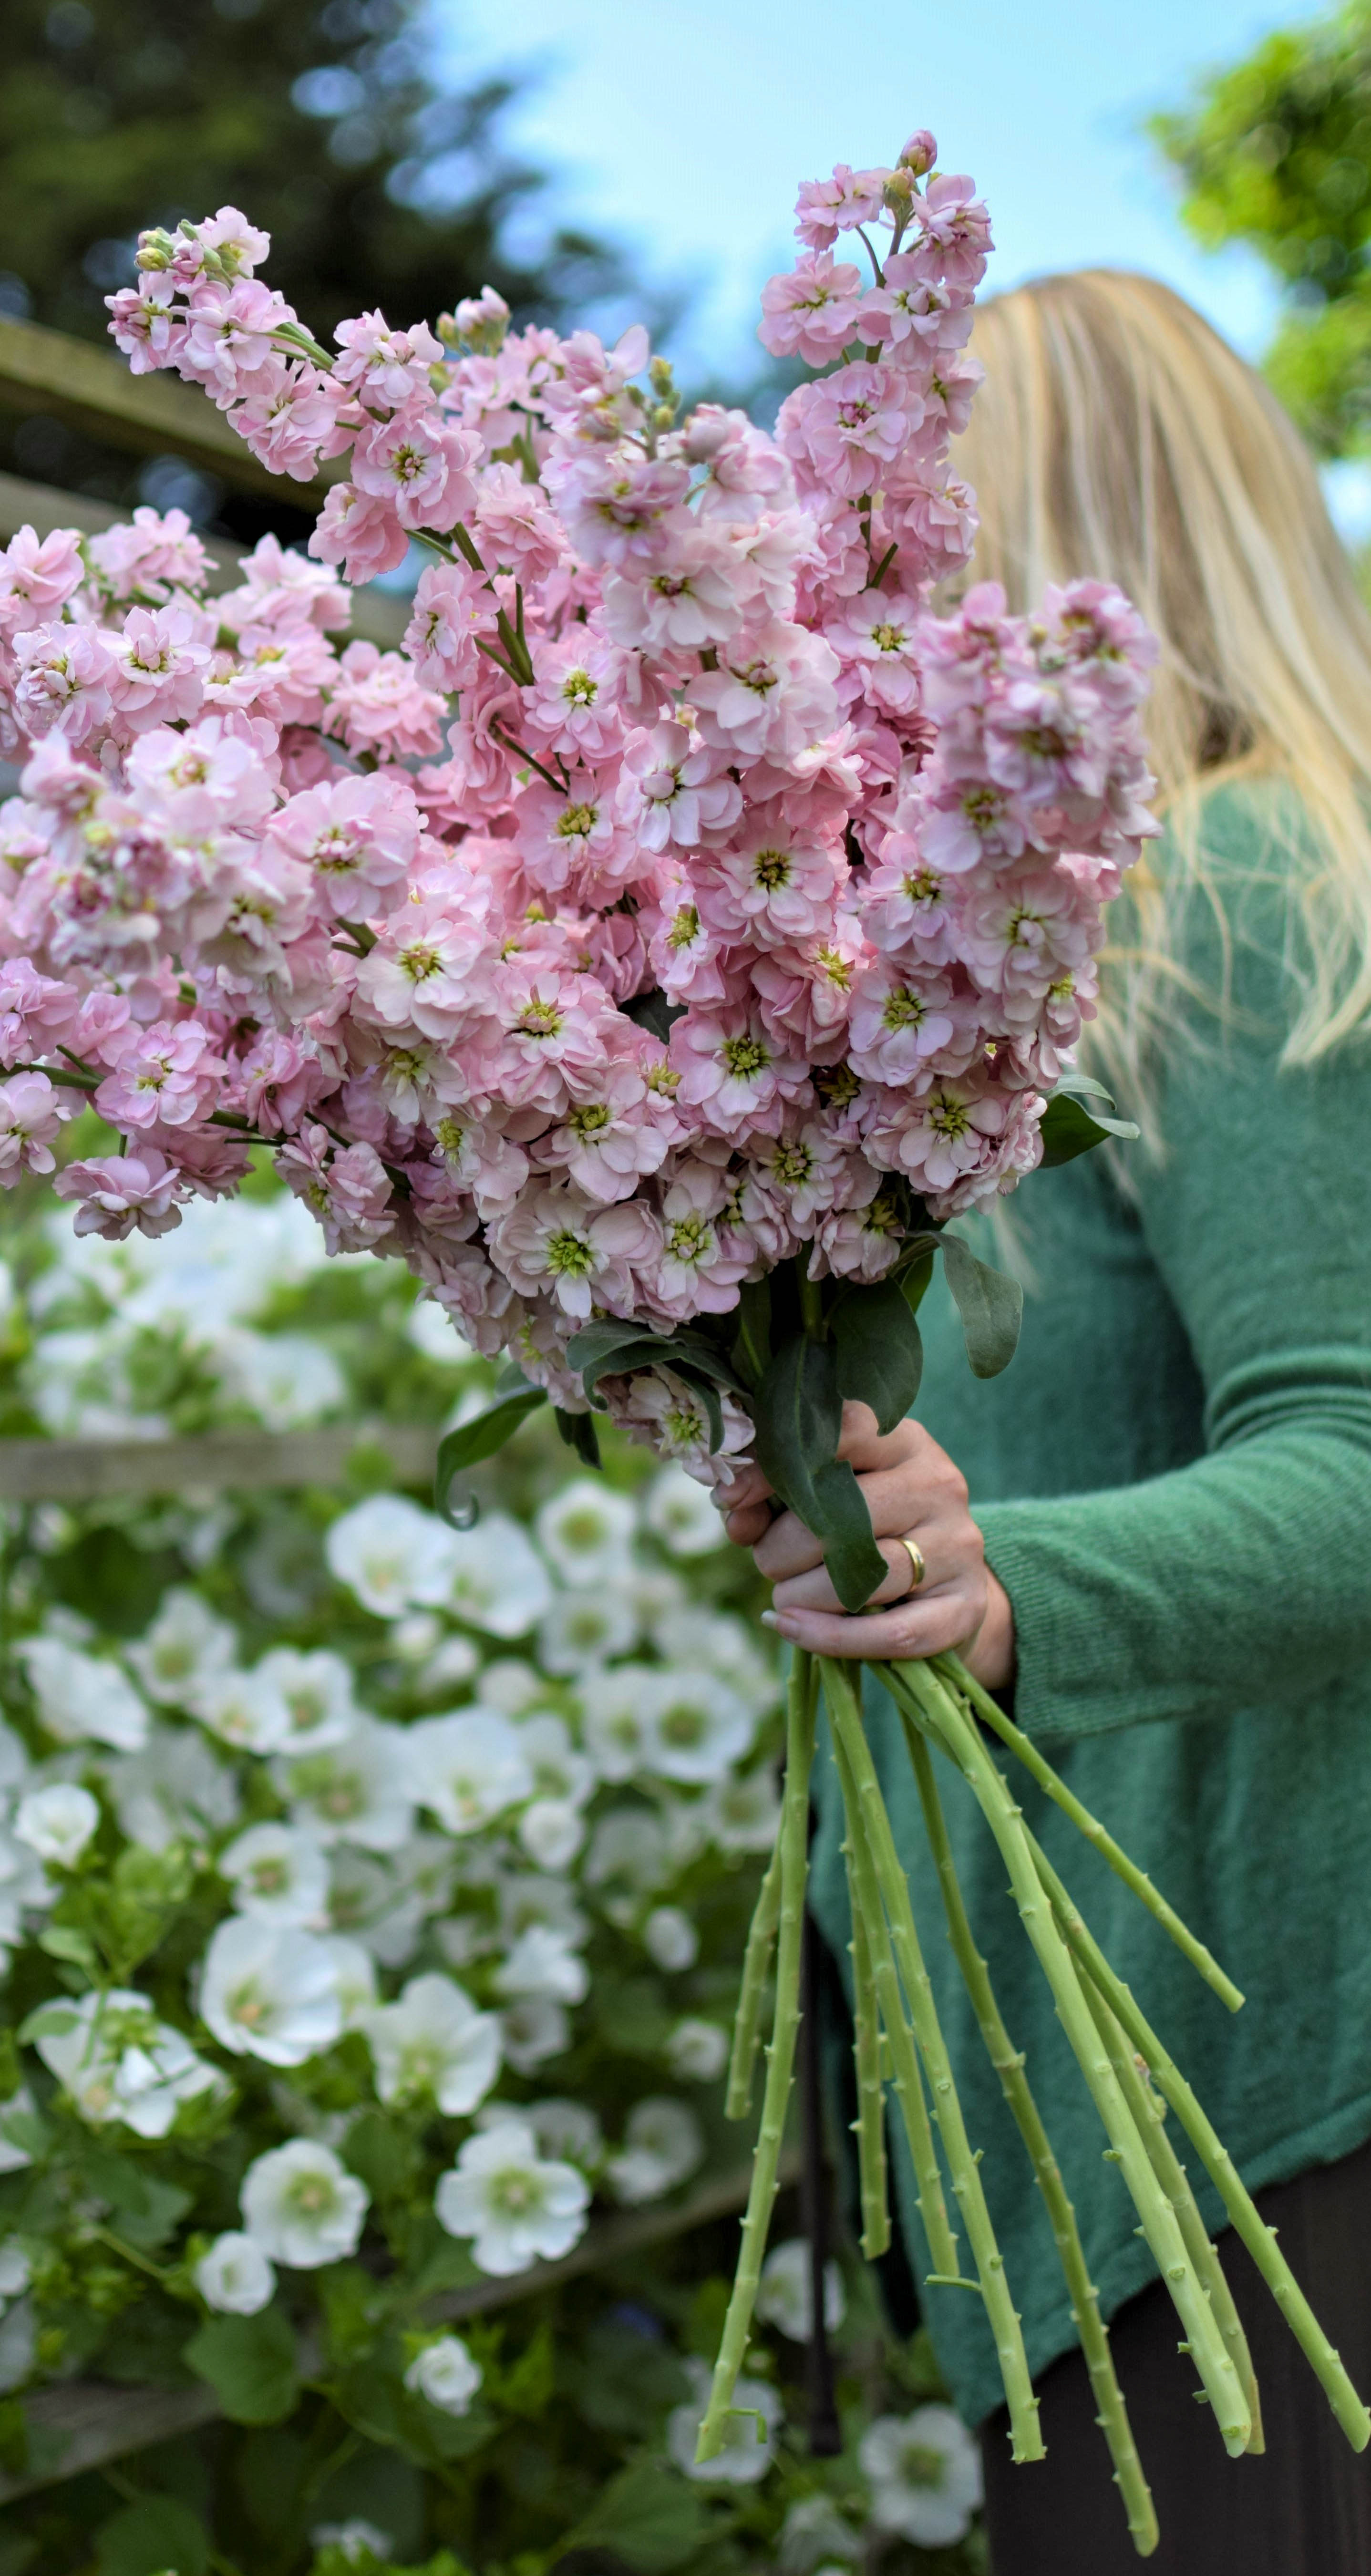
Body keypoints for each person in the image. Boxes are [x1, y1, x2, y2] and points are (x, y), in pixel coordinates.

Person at [718, 270, 1371, 2572]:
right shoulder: (1034, 953)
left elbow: (1360, 1447)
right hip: (1158, 2093)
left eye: (903, 510)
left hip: (1260, 2112)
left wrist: (1007, 1583)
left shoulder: (1234, 878)